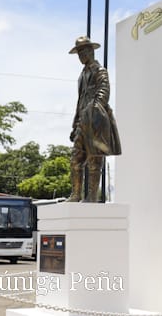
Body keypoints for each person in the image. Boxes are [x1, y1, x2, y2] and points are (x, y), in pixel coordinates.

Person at [66, 36, 122, 202]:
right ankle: (76, 194)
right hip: (82, 122)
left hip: (95, 121)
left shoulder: (100, 71)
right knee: (75, 159)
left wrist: (92, 112)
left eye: (83, 51)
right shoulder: (81, 76)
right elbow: (79, 101)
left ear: (91, 51)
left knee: (94, 160)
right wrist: (76, 124)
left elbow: (103, 94)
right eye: (79, 53)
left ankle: (91, 197)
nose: (81, 56)